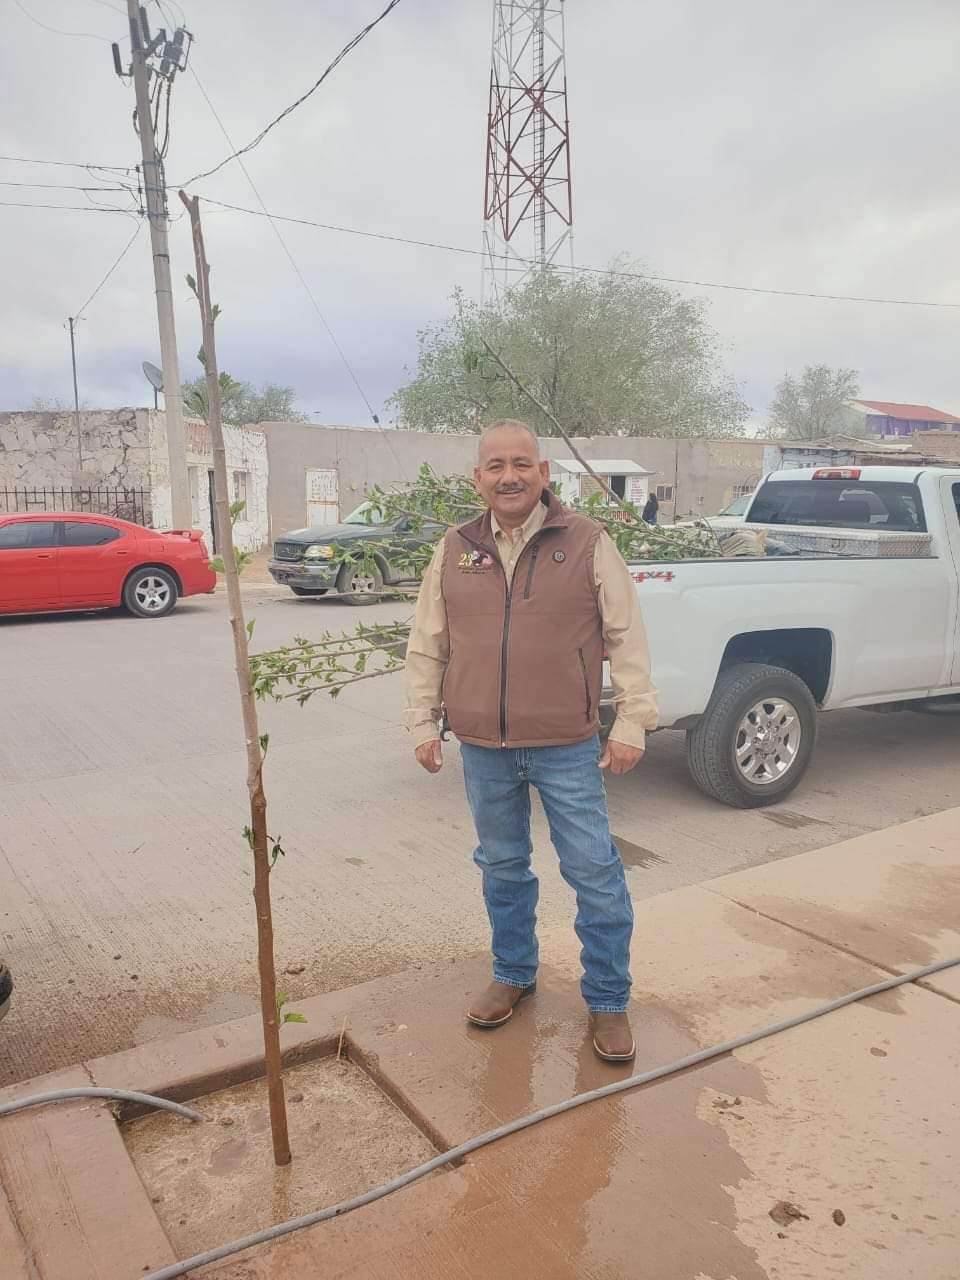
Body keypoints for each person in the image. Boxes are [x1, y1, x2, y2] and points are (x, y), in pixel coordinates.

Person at [405, 420, 658, 1062]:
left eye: (521, 464)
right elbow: (428, 643)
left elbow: (626, 636)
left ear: (543, 473)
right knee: (502, 866)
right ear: (478, 479)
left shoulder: (587, 540)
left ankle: (608, 1000)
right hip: (483, 746)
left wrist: (632, 721)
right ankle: (514, 973)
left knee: (594, 871)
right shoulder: (455, 548)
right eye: (495, 466)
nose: (509, 476)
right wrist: (423, 720)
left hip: (565, 743)